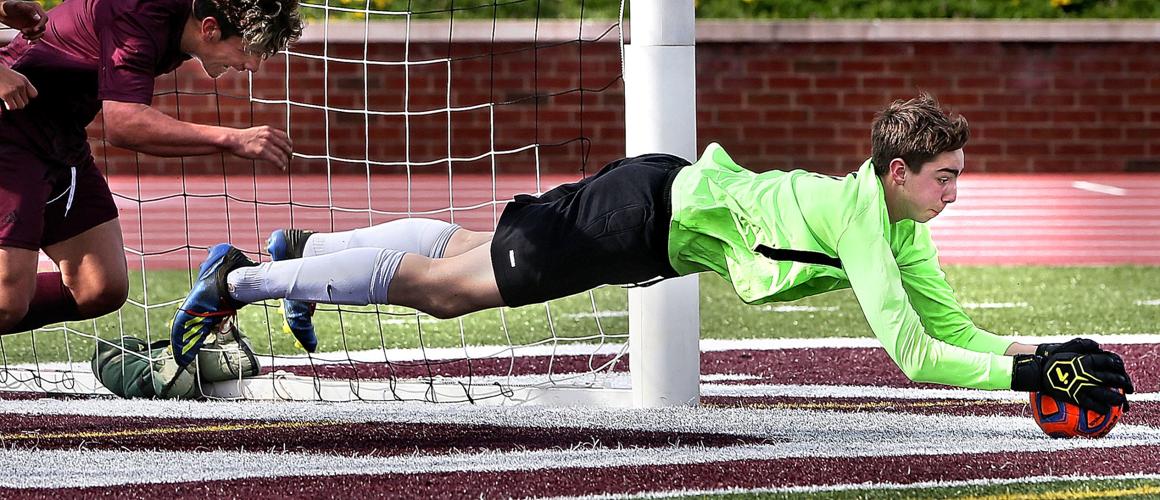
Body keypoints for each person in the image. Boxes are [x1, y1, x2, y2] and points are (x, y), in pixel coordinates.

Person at [170, 94, 1134, 413]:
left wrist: (1038, 352)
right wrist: (1029, 380)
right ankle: (241, 281)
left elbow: (950, 328)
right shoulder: (861, 221)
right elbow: (914, 356)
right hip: (639, 220)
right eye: (945, 177)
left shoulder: (895, 226)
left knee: (465, 256)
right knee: (443, 290)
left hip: (655, 200)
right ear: (893, 171)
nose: (955, 193)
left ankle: (304, 249)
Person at [0, 0, 303, 338]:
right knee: (7, 302)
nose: (253, 66)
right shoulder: (139, 14)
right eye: (249, 50)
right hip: (11, 128)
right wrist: (231, 138)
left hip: (60, 138)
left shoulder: (178, 23)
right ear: (209, 28)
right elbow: (124, 124)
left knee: (100, 287)